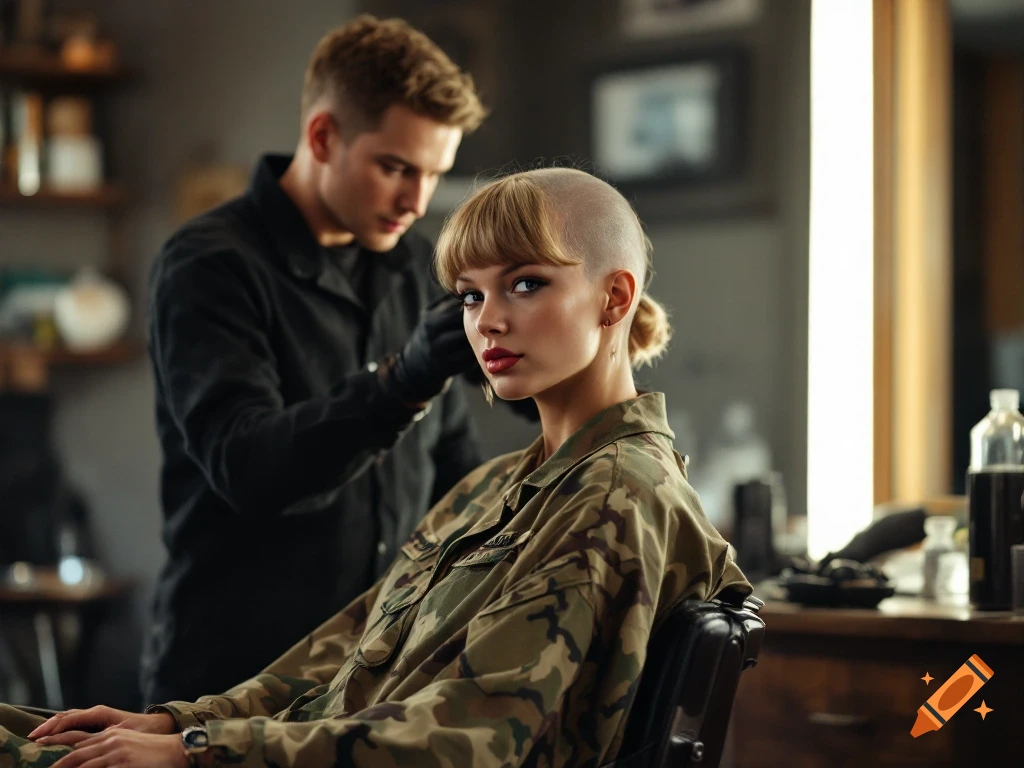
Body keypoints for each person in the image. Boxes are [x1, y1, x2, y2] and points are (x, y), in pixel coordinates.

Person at [2, 168, 751, 768]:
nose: (486, 320)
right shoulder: (491, 489)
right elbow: (337, 667)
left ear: (614, 297)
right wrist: (176, 721)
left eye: (525, 283)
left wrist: (192, 753)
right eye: (469, 294)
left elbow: (465, 741)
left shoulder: (615, 497)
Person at [140, 15, 490, 705]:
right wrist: (398, 384)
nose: (416, 202)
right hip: (227, 687)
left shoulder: (415, 265)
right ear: (324, 136)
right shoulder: (209, 265)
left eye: (433, 175)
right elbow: (248, 465)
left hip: (376, 684)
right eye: (395, 167)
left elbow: (453, 466)